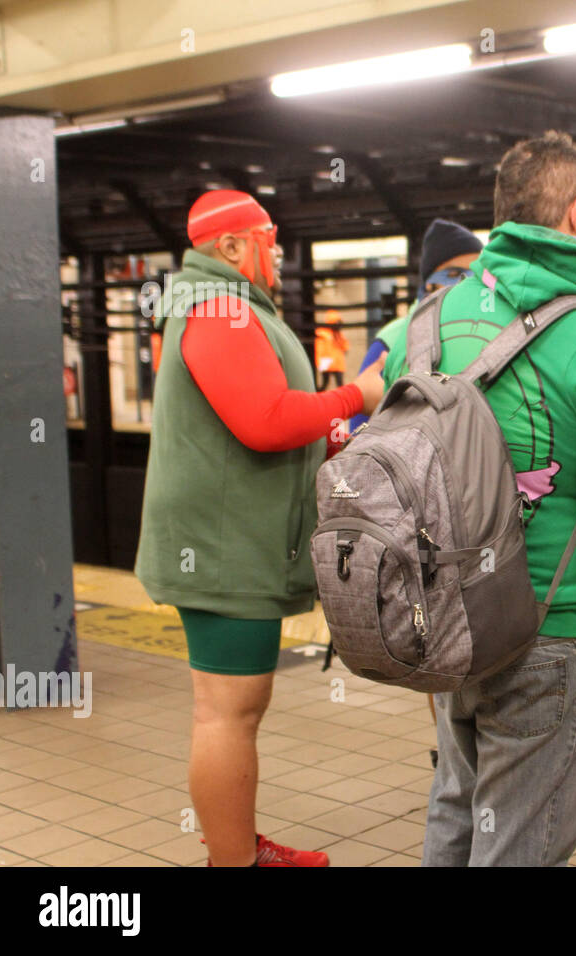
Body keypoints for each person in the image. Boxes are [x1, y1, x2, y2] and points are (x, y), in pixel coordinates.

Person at [377, 132, 576, 866]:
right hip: (553, 631)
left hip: (449, 624)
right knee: (523, 844)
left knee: (459, 814)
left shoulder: (426, 325)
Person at [134, 190, 386, 867]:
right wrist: (355, 396)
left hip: (230, 544)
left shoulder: (225, 306)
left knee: (233, 710)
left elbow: (271, 422)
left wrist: (339, 433)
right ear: (233, 246)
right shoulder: (218, 309)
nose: (275, 251)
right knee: (227, 712)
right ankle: (233, 860)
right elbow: (264, 420)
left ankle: (236, 843)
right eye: (267, 238)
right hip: (220, 551)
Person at [346, 218, 483, 433]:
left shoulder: (480, 330)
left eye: (476, 273)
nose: (468, 283)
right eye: (456, 274)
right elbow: (358, 425)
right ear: (430, 282)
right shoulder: (392, 339)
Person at [314, 309, 349, 389]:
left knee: (340, 384)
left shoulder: (338, 334)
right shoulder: (322, 333)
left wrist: (339, 337)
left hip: (338, 363)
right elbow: (319, 348)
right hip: (326, 362)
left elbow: (345, 347)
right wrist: (319, 362)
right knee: (325, 383)